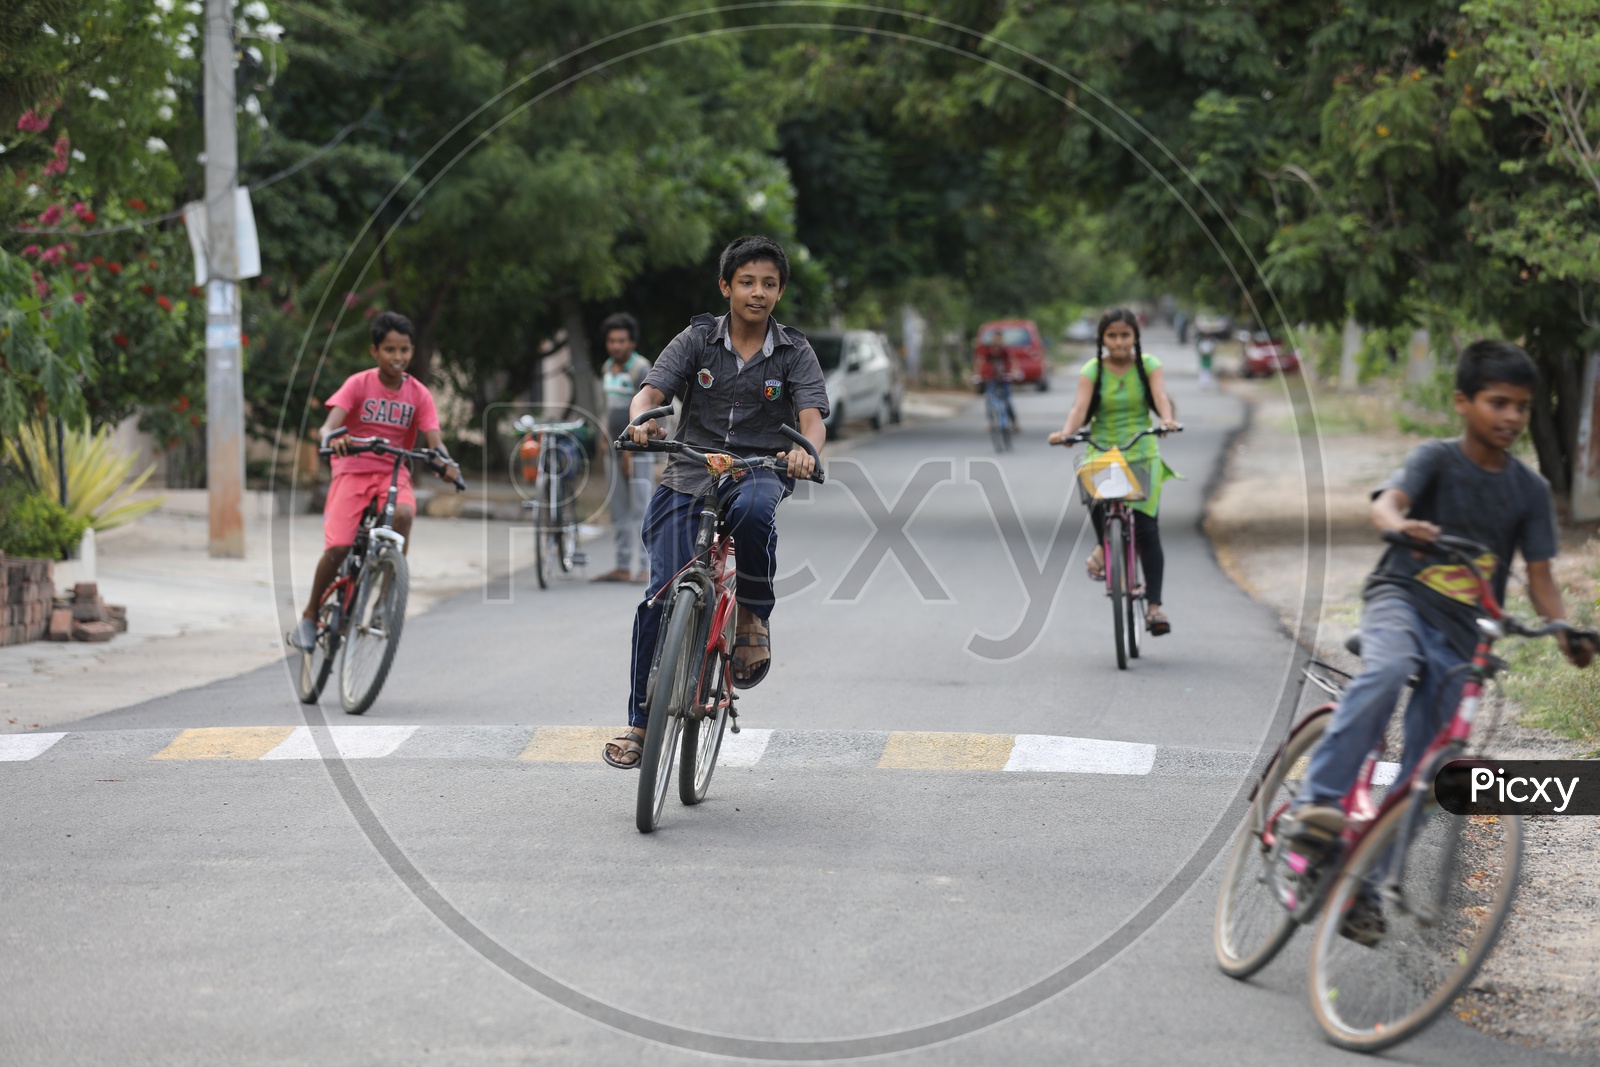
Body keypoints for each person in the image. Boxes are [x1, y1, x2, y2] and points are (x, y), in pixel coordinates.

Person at [1282, 339, 1592, 942]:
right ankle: (1312, 809)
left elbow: (1540, 577)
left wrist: (1563, 633)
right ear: (1462, 402)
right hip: (1401, 601)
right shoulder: (1436, 460)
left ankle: (1363, 887)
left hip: (1462, 637)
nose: (1510, 418)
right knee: (1387, 671)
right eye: (1497, 402)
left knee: (1432, 773)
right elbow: (1387, 504)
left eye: (1522, 408)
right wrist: (1399, 525)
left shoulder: (1528, 492)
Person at [602, 235, 828, 769]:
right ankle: (639, 721)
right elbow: (651, 391)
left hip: (758, 469)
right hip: (688, 468)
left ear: (780, 291)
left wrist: (805, 454)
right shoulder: (697, 338)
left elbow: (813, 421)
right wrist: (642, 420)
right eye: (746, 282)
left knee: (753, 514)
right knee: (658, 597)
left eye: (769, 284)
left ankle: (751, 613)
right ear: (726, 286)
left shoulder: (795, 351)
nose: (758, 293)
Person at [287, 311, 460, 651]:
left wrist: (446, 461)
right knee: (338, 547)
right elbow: (327, 427)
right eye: (390, 350)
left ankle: (383, 601)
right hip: (352, 470)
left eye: (405, 350)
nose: (398, 358)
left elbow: (434, 439)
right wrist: (334, 438)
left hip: (393, 472)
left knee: (404, 516)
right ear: (375, 352)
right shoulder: (359, 384)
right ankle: (309, 616)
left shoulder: (419, 394)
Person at [1048, 308, 1180, 634]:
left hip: (1141, 449)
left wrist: (1166, 420)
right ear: (1102, 339)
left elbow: (1161, 397)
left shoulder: (1148, 365)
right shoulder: (1092, 370)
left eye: (1125, 335)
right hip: (1103, 448)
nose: (1119, 342)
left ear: (1135, 337)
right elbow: (1079, 409)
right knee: (1090, 482)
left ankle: (1154, 608)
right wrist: (1066, 433)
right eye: (1112, 336)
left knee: (1148, 530)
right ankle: (1104, 544)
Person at [592, 312, 655, 583]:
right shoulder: (608, 368)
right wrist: (604, 437)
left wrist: (631, 450)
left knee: (642, 508)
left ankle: (645, 567)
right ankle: (621, 564)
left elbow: (645, 409)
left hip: (637, 448)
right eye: (611, 340)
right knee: (617, 508)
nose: (616, 346)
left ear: (631, 342)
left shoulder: (640, 368)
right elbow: (610, 408)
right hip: (614, 448)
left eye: (621, 340)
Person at [975, 332, 1021, 432]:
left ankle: (1014, 422)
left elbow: (1013, 361)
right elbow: (981, 361)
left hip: (1004, 378)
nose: (997, 341)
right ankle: (990, 422)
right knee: (989, 400)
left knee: (1007, 401)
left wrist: (1014, 372)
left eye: (999, 339)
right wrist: (978, 374)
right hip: (991, 378)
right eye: (995, 339)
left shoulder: (1005, 351)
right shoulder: (988, 351)